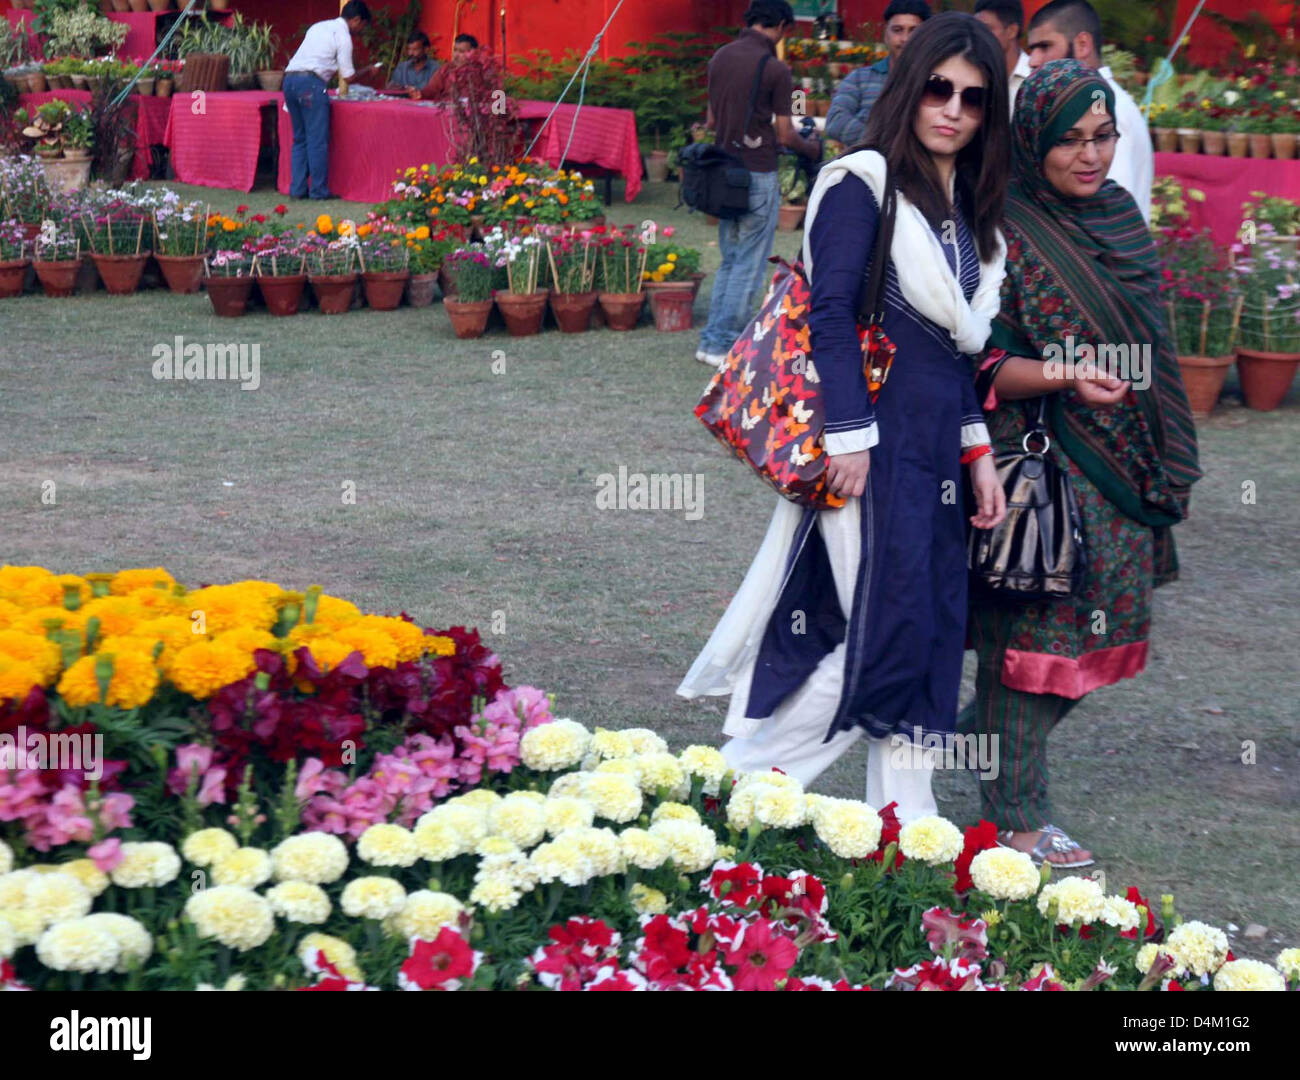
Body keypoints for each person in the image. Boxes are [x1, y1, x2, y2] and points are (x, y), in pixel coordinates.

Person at [679, 13, 1011, 822]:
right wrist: (851, 438)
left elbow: (955, 350)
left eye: (972, 99)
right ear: (910, 86)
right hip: (867, 444)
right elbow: (831, 314)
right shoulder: (863, 182)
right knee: (882, 630)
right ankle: (740, 789)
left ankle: (909, 828)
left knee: (927, 629)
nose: (952, 109)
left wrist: (977, 451)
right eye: (939, 88)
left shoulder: (965, 208)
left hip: (935, 450)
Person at [957, 59, 1201, 865]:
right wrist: (1064, 374)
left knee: (1100, 632)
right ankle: (1017, 818)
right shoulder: (999, 228)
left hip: (1126, 461)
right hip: (1039, 467)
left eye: (1103, 138)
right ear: (1033, 142)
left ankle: (980, 744)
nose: (1090, 156)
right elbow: (982, 364)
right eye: (1070, 142)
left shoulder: (1121, 216)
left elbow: (1151, 343)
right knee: (1034, 644)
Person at [694, 1, 822, 370]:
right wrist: (811, 147)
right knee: (748, 264)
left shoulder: (719, 58)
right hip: (757, 172)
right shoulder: (776, 69)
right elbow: (785, 133)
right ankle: (721, 342)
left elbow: (712, 120)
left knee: (731, 260)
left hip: (723, 175)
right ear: (782, 25)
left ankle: (710, 340)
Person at [1026, 0, 1153, 223]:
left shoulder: (1106, 109)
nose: (1033, 61)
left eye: (1044, 47)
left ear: (1083, 44)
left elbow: (1109, 209)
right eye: (1031, 49)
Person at [283, 1, 372, 200]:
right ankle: (318, 190)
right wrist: (369, 71)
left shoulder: (319, 26)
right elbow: (348, 76)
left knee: (300, 139)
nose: (361, 31)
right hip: (311, 85)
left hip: (289, 80)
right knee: (316, 140)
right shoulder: (343, 37)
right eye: (362, 26)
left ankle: (297, 189)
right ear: (356, 20)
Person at [824, 0, 931, 147]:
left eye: (913, 31)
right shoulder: (859, 79)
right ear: (886, 34)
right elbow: (835, 121)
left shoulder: (934, 83)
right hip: (866, 165)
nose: (905, 39)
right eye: (897, 30)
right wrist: (884, 143)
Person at [973, 0, 1030, 114]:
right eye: (976, 29)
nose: (978, 36)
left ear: (1011, 31)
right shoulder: (974, 75)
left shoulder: (1034, 78)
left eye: (986, 29)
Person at [415, 34, 479, 101]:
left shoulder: (480, 71)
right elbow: (431, 90)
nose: (456, 55)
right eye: (455, 50)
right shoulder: (446, 69)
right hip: (447, 108)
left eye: (461, 51)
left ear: (473, 53)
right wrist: (419, 93)